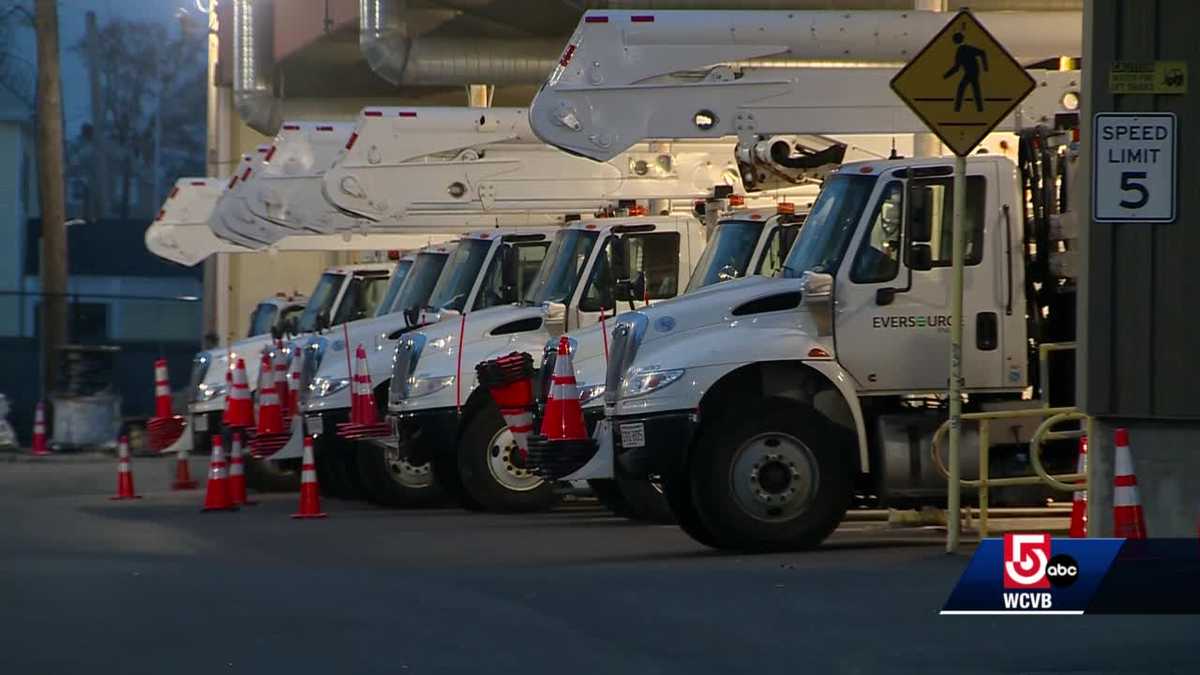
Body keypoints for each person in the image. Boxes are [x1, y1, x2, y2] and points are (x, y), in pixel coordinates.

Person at [943, 32, 988, 113]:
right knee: (974, 90)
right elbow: (957, 67)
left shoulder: (965, 49)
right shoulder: (961, 50)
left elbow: (982, 52)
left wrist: (985, 67)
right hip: (970, 72)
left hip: (972, 73)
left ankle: (957, 109)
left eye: (954, 39)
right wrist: (946, 75)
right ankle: (979, 109)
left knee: (963, 89)